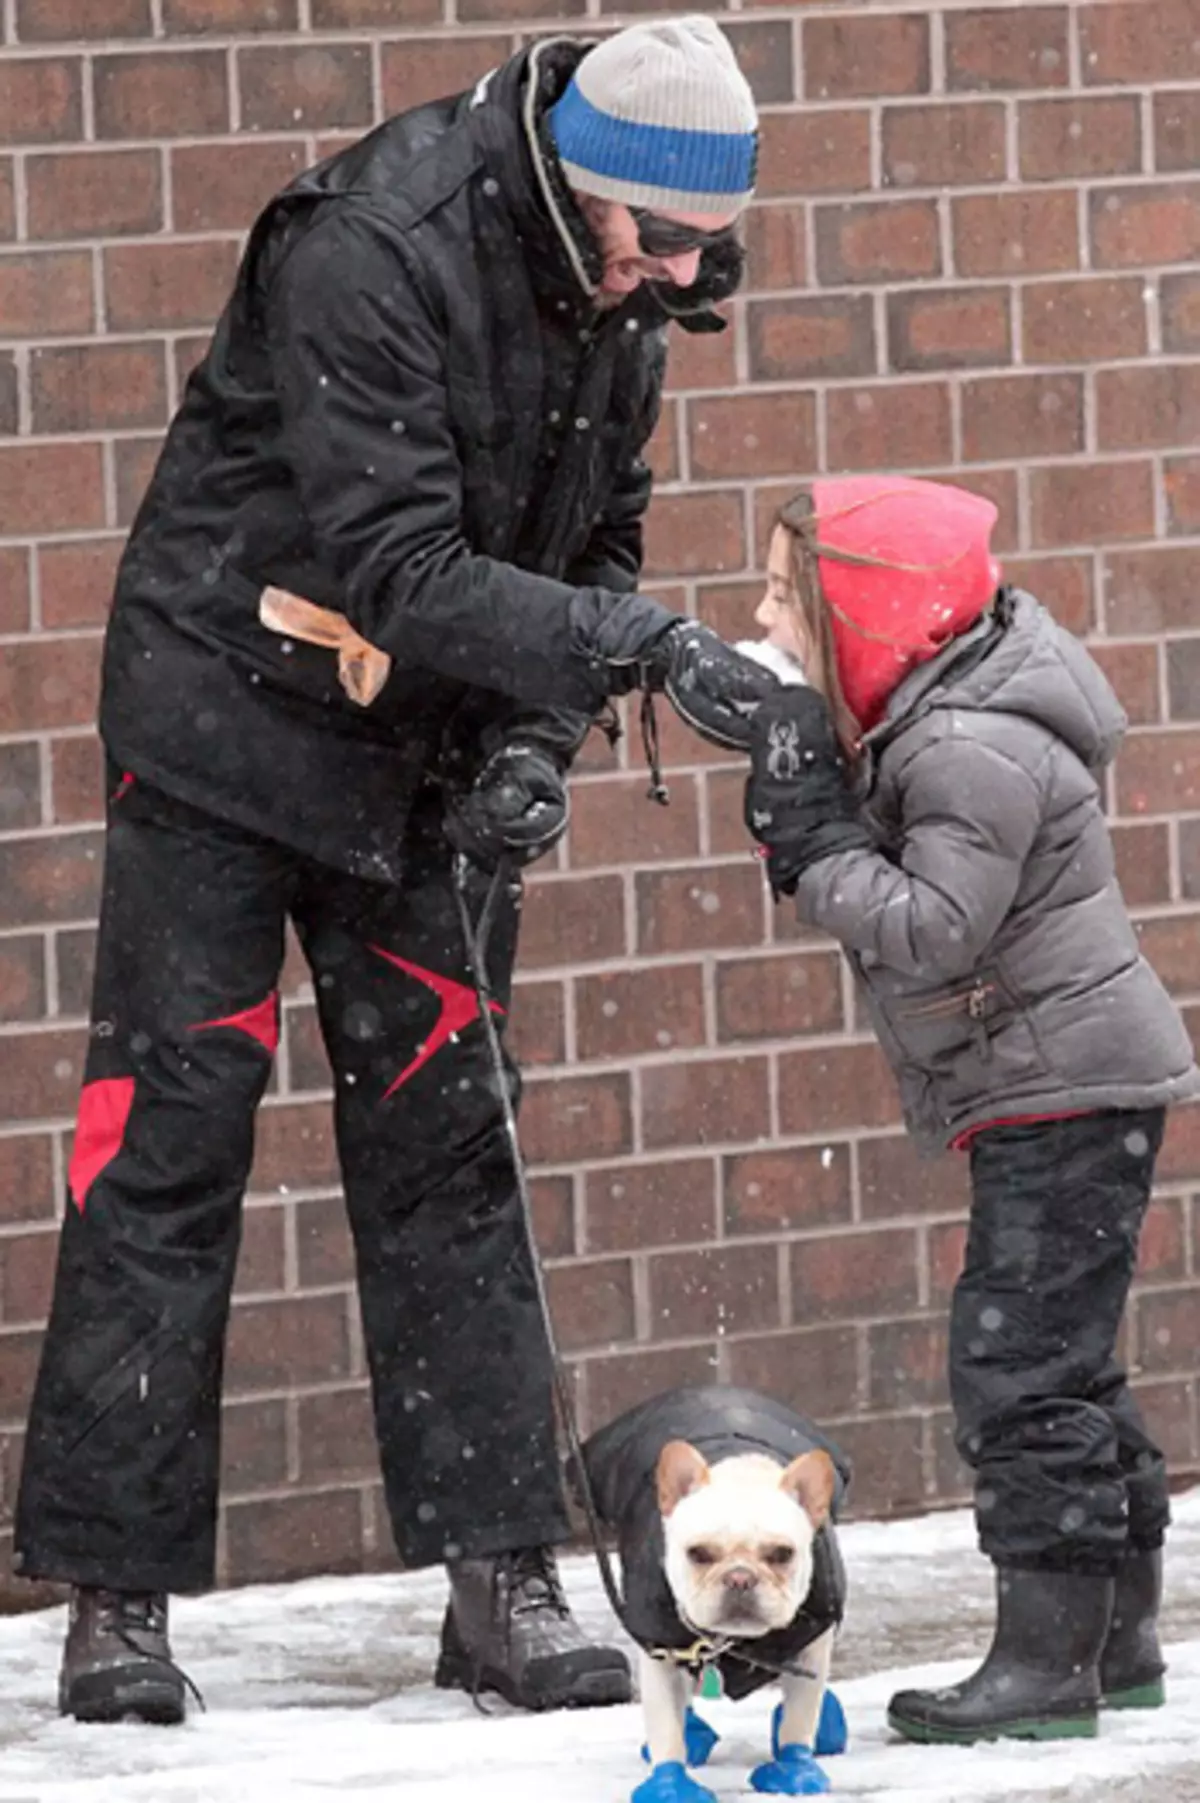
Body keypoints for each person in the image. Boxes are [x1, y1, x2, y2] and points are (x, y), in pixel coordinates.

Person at [14, 18, 780, 1725]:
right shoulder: (374, 245)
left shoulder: (626, 293)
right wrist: (643, 648)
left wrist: (528, 742)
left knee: (453, 1144)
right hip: (226, 717)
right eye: (658, 241)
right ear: (586, 185)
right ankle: (115, 1597)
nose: (676, 278)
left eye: (701, 252)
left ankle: (499, 1573)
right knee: (169, 1142)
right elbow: (398, 561)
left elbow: (596, 526)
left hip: (422, 750)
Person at [739, 474, 1199, 1745]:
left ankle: (1047, 1667)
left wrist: (812, 843)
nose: (765, 619)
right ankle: (1112, 1643)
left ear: (873, 618)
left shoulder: (965, 744)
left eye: (789, 597)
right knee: (1068, 1367)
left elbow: (933, 932)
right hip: (1063, 1084)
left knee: (1017, 1374)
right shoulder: (956, 707)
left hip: (1060, 1087)